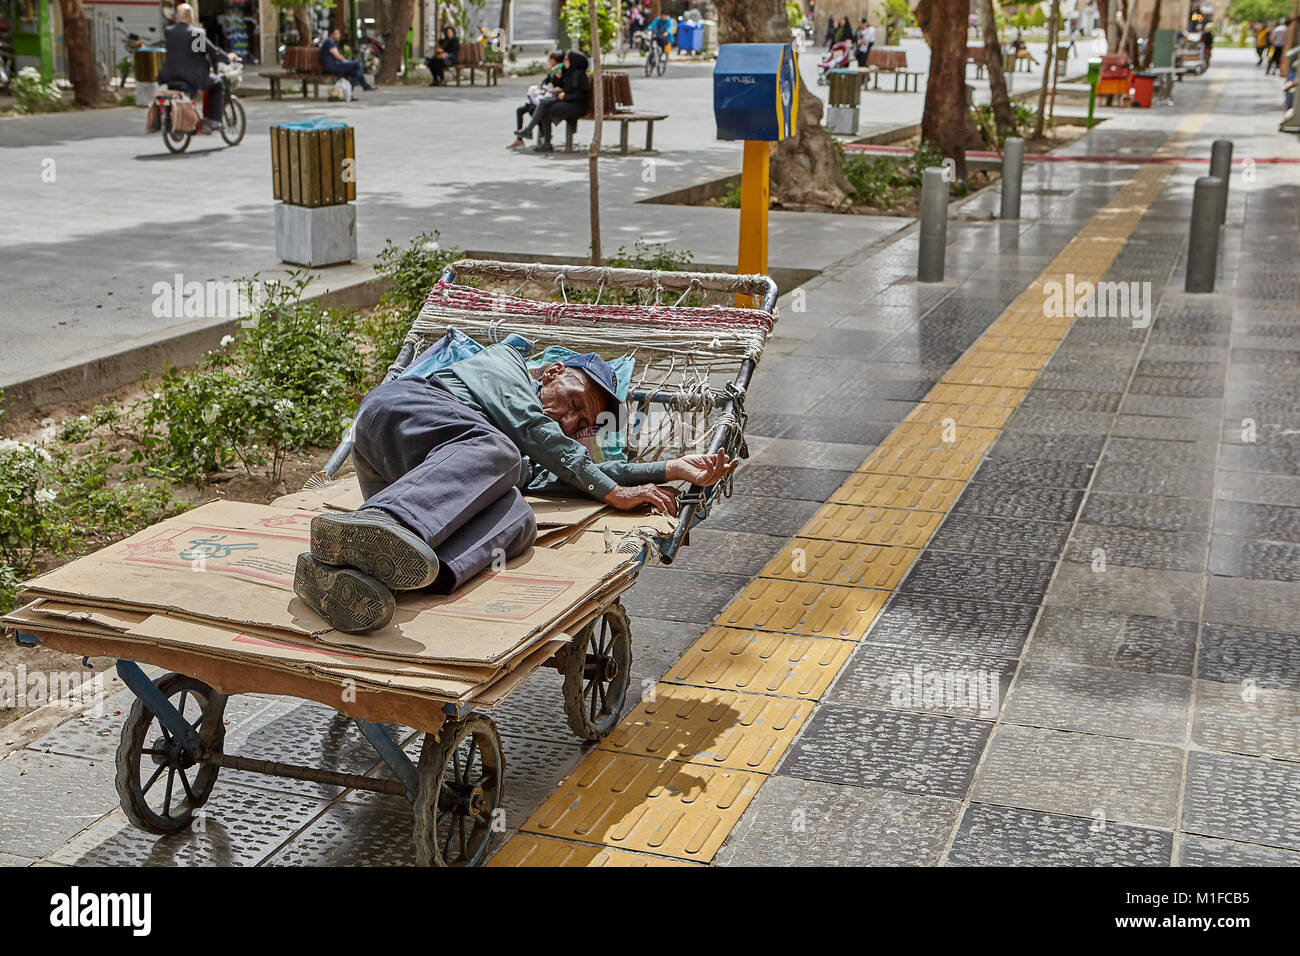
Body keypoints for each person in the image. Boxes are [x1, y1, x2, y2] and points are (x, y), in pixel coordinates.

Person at [292, 341, 739, 633]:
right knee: (502, 452)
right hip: (397, 416)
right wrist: (610, 492)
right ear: (553, 372)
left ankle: (368, 578)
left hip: (422, 482)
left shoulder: (519, 450)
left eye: (581, 425)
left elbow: (559, 474)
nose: (568, 422)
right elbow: (535, 434)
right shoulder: (505, 367)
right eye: (575, 403)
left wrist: (669, 469)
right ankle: (379, 523)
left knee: (519, 516)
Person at [156, 3, 237, 132]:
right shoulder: (195, 33)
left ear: (177, 17)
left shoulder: (169, 32)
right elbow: (209, 51)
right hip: (191, 77)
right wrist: (227, 58)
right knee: (217, 84)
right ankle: (214, 121)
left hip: (169, 76)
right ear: (190, 17)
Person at [521, 49, 589, 153]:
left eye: (567, 59)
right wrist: (558, 78)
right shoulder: (570, 72)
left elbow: (580, 96)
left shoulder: (578, 75)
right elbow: (563, 86)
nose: (564, 61)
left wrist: (565, 96)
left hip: (576, 106)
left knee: (546, 110)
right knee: (543, 104)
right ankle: (534, 134)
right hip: (568, 103)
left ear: (573, 61)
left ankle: (539, 137)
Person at [509, 51, 564, 148]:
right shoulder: (553, 71)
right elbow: (545, 82)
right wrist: (543, 88)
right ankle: (520, 139)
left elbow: (561, 86)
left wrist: (558, 78)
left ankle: (542, 135)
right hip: (544, 96)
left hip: (551, 99)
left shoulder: (562, 72)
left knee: (534, 109)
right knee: (520, 110)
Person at [320, 27, 372, 92]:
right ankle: (365, 80)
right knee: (357, 63)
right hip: (333, 67)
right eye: (337, 33)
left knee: (357, 73)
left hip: (336, 65)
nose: (339, 35)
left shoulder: (332, 43)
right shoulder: (329, 42)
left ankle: (349, 92)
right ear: (331, 34)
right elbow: (337, 56)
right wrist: (346, 62)